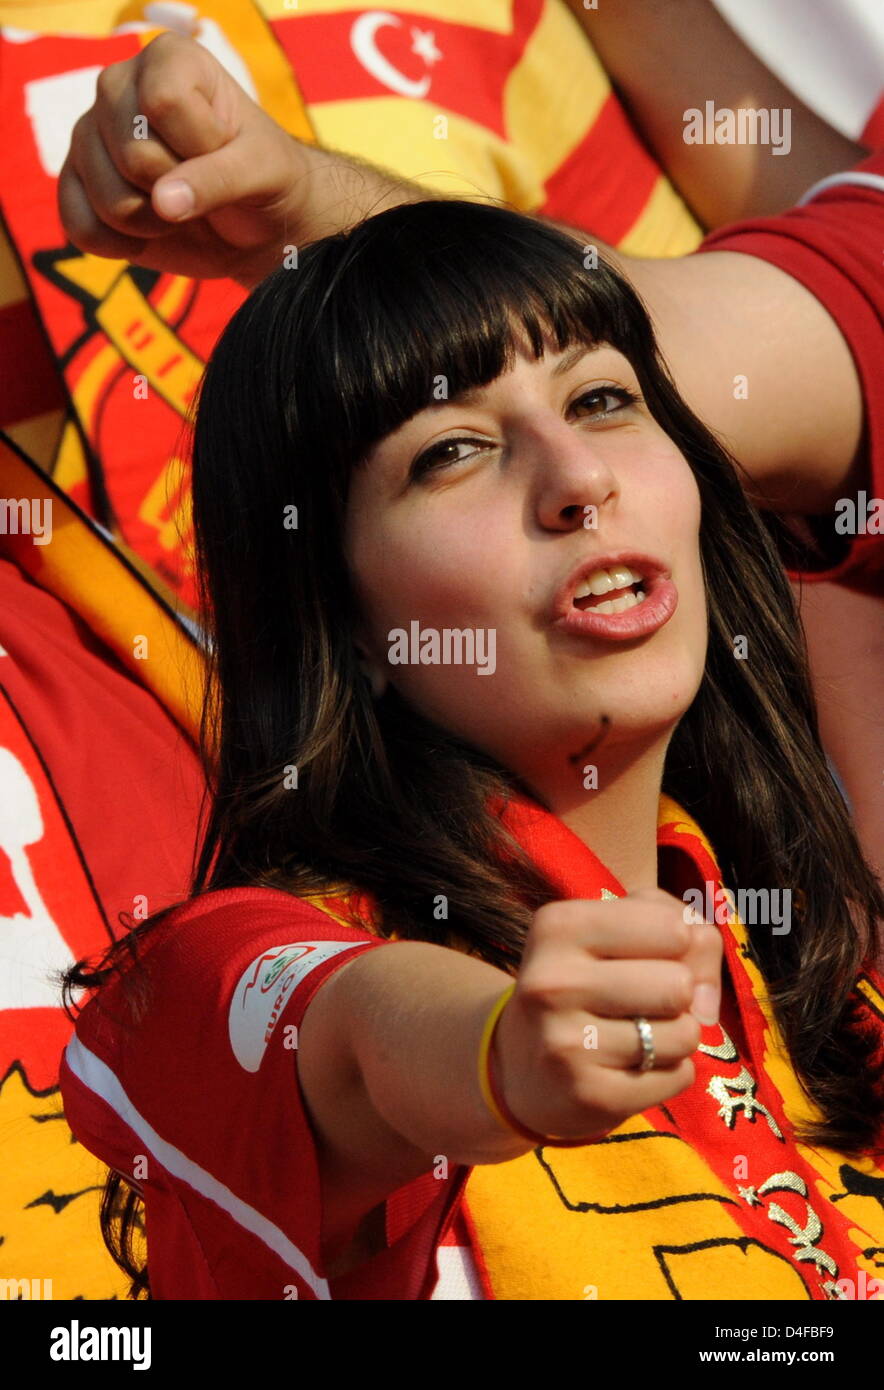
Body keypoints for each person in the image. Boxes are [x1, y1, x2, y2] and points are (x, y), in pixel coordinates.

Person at [58, 199, 884, 1301]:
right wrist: (500, 1057)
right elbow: (351, 1036)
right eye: (452, 451)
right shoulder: (215, 970)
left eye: (601, 400)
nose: (577, 480)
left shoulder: (832, 980)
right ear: (343, 622)